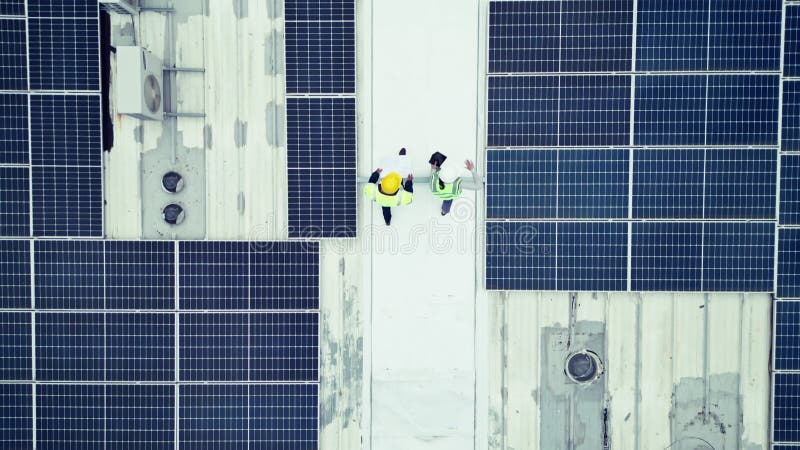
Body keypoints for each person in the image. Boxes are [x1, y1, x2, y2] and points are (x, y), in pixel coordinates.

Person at [364, 149, 414, 225]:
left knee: (385, 211)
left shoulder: (372, 192)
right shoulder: (401, 198)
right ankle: (402, 159)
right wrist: (409, 182)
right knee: (399, 173)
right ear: (397, 189)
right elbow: (409, 195)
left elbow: (370, 183)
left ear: (383, 183)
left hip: (382, 201)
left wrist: (376, 174)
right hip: (391, 200)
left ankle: (387, 221)